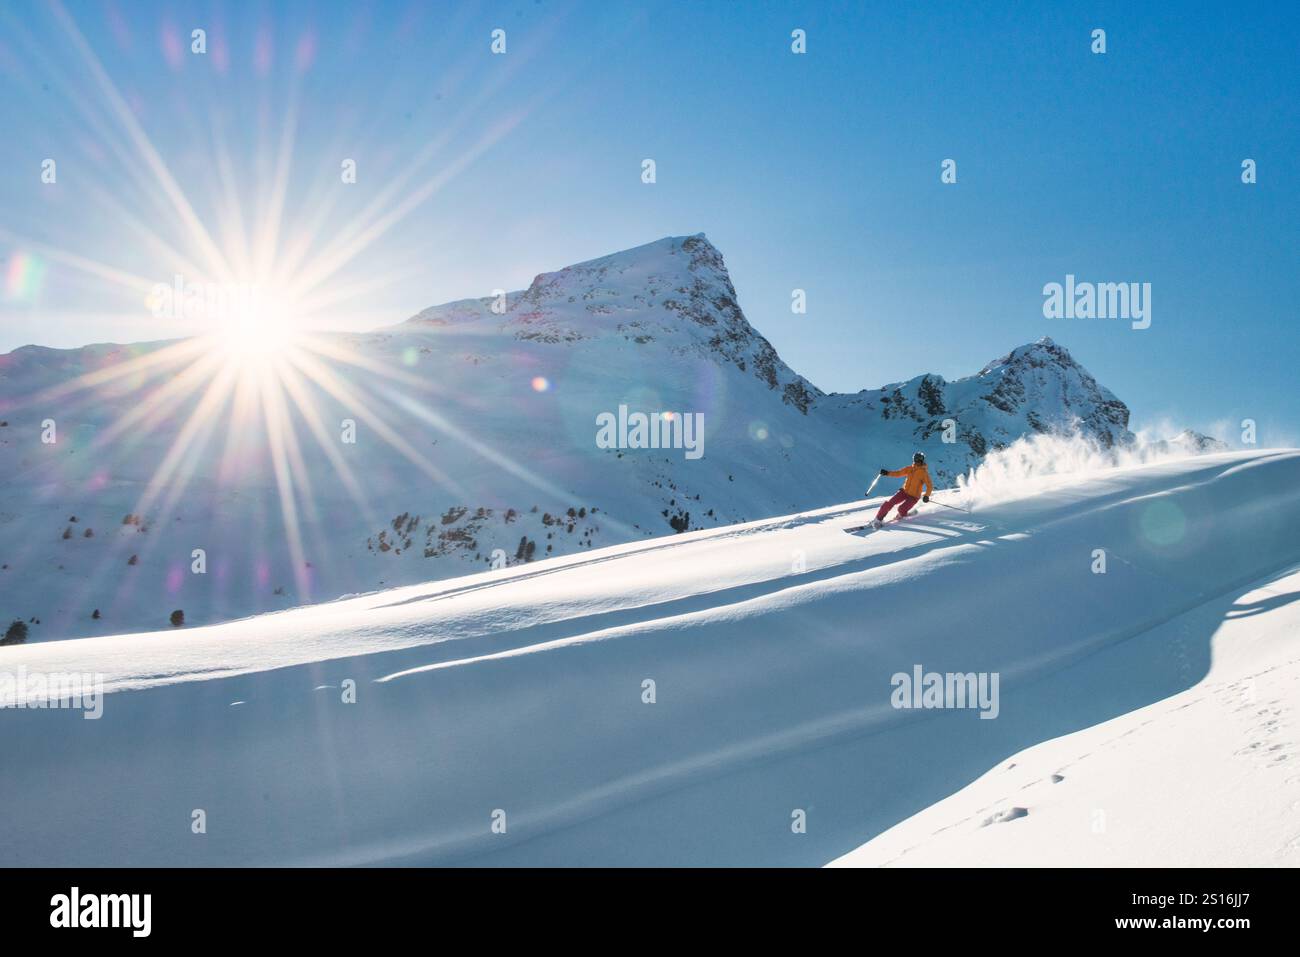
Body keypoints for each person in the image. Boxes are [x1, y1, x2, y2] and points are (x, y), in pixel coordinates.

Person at [872, 452, 933, 528]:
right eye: (914, 460)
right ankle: (878, 519)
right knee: (889, 503)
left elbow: (929, 486)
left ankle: (903, 515)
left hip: (913, 497)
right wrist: (887, 473)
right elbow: (898, 473)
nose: (916, 462)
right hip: (904, 492)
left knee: (901, 509)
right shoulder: (909, 468)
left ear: (921, 461)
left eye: (917, 460)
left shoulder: (924, 473)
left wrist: (926, 495)